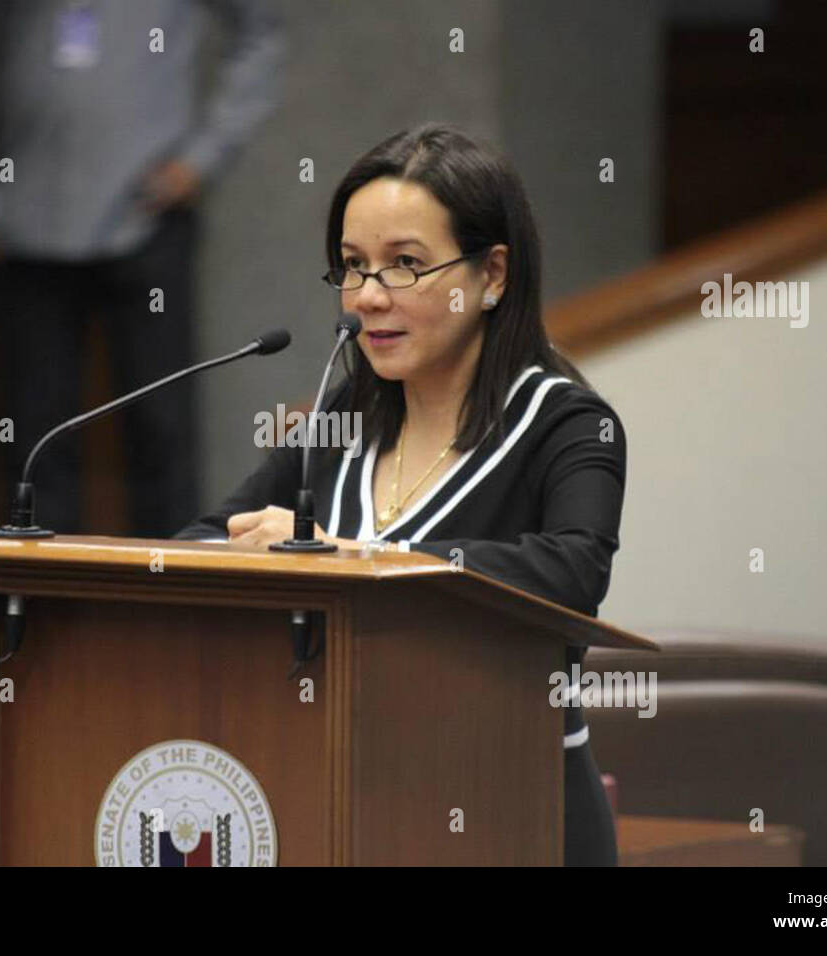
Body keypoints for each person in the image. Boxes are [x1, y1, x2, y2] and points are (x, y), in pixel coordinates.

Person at [175, 123, 626, 866]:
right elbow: (202, 538)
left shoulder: (568, 424)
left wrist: (360, 558)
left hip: (511, 809)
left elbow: (573, 575)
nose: (367, 298)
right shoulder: (343, 415)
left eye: (404, 265)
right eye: (353, 267)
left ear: (494, 275)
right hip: (336, 799)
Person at [0, 0, 284, 536]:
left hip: (147, 215)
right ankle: (44, 604)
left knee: (162, 428)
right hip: (27, 224)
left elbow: (260, 34)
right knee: (36, 436)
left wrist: (202, 159)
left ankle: (174, 599)